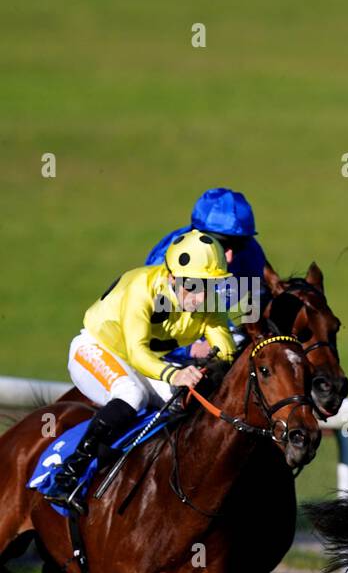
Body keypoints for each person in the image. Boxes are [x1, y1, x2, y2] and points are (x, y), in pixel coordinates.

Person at [47, 230, 236, 512]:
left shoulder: (210, 302)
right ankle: (69, 475)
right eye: (193, 286)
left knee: (186, 399)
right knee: (131, 393)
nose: (200, 297)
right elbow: (137, 352)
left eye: (209, 286)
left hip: (141, 362)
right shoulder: (142, 288)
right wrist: (176, 374)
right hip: (96, 347)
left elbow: (227, 351)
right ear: (173, 278)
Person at [146, 187, 268, 329]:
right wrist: (189, 348)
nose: (229, 258)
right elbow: (151, 325)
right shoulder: (167, 259)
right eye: (221, 245)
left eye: (239, 245)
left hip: (213, 324)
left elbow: (259, 299)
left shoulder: (250, 252)